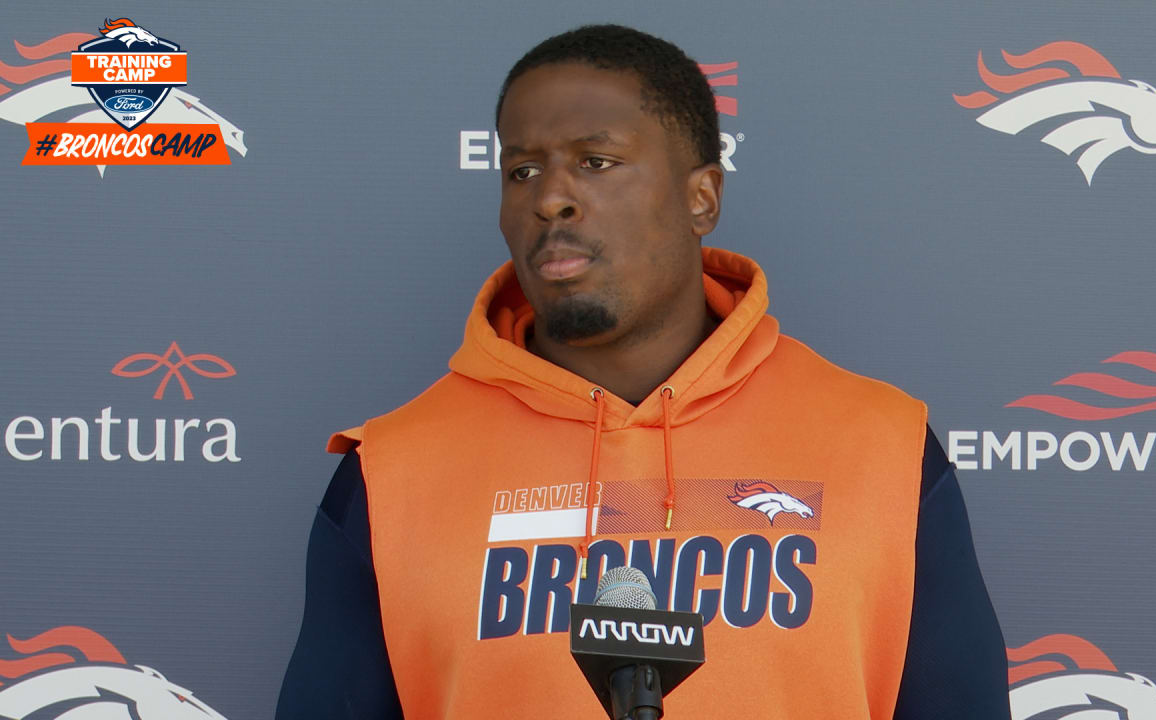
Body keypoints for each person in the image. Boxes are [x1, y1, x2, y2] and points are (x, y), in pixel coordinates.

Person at [277, 24, 1010, 720]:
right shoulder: (394, 473)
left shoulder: (881, 447)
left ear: (702, 199)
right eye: (522, 170)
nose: (550, 198)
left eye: (595, 162)